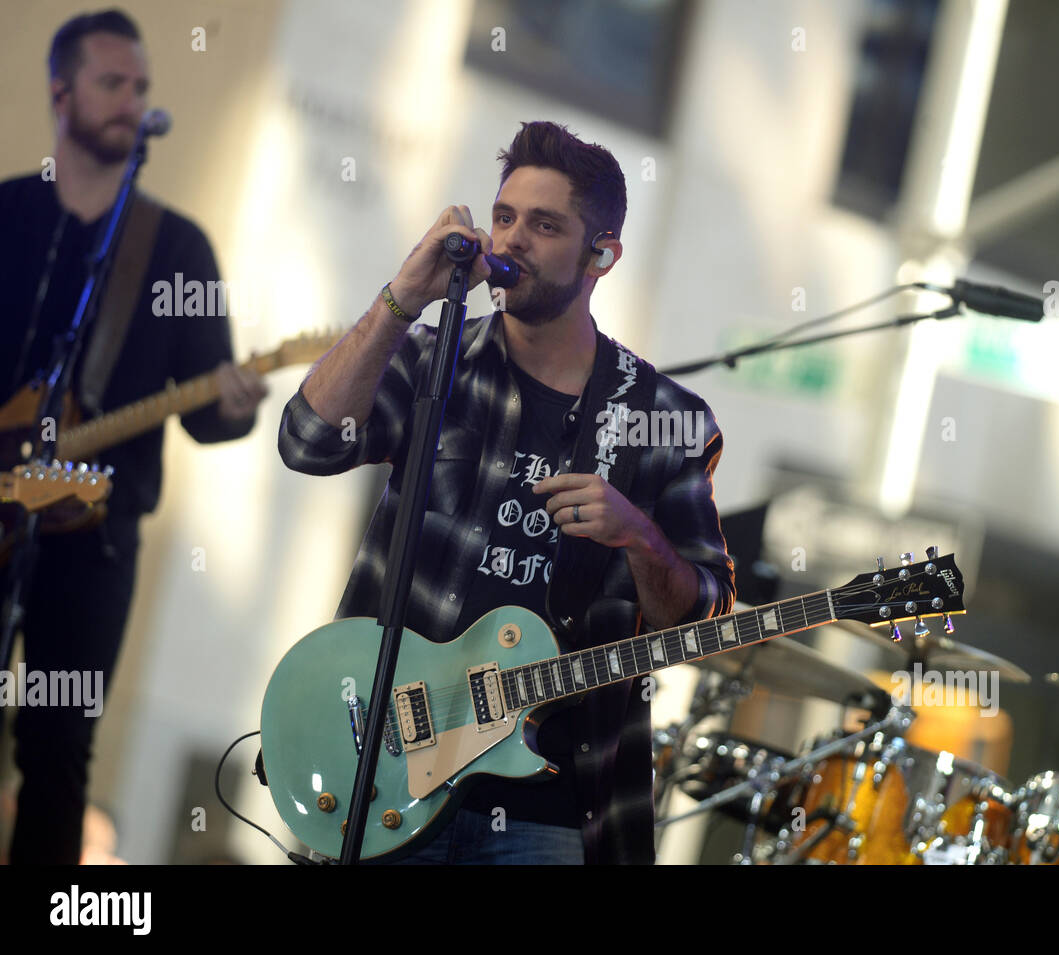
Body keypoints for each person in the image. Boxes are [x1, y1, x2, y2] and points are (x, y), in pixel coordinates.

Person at [278, 121, 735, 864]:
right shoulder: (437, 358)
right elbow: (307, 440)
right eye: (504, 217)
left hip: (550, 809)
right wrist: (402, 298)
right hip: (387, 778)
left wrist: (640, 537)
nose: (512, 239)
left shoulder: (665, 420)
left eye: (545, 225)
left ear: (602, 254)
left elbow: (701, 618)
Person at [0, 9, 268, 864]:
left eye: (143, 86)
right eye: (113, 83)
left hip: (93, 547)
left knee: (56, 756)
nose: (134, 101)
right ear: (61, 91)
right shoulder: (8, 214)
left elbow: (208, 418)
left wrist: (238, 400)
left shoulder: (179, 250)